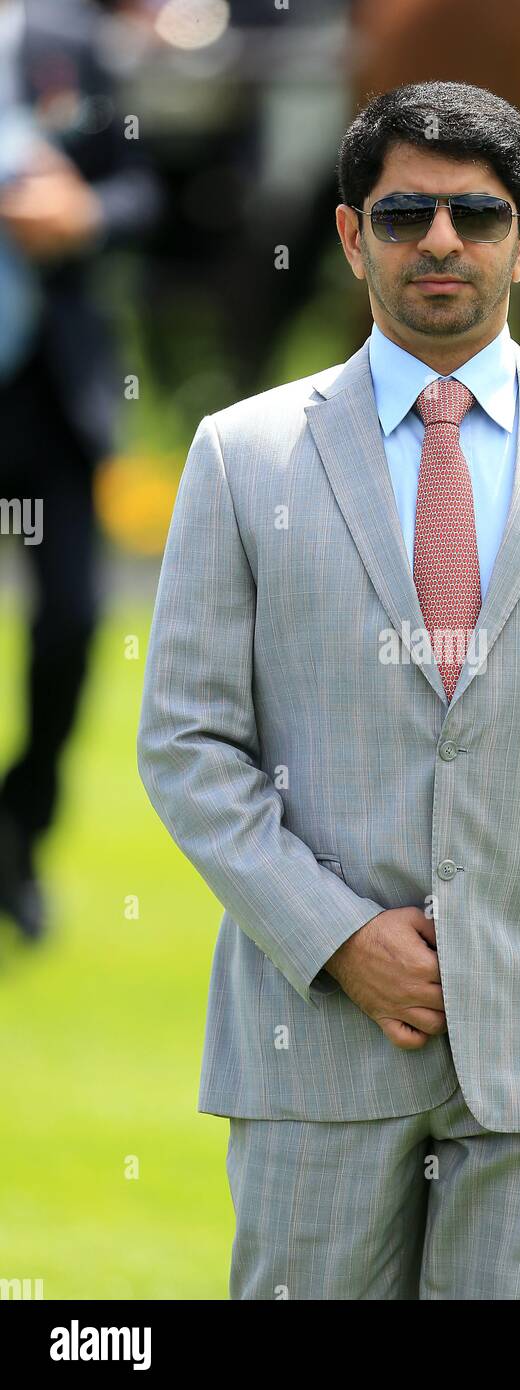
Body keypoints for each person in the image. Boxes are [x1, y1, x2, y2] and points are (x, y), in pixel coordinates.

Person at [137, 80, 520, 1301]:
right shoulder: (243, 451)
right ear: (347, 234)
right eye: (404, 214)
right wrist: (336, 939)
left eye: (476, 217)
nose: (440, 243)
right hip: (315, 1037)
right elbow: (185, 742)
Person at [0, 0, 160, 939]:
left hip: (49, 396)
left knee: (72, 622)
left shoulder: (70, 48)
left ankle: (21, 829)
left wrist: (82, 211)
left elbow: (140, 192)